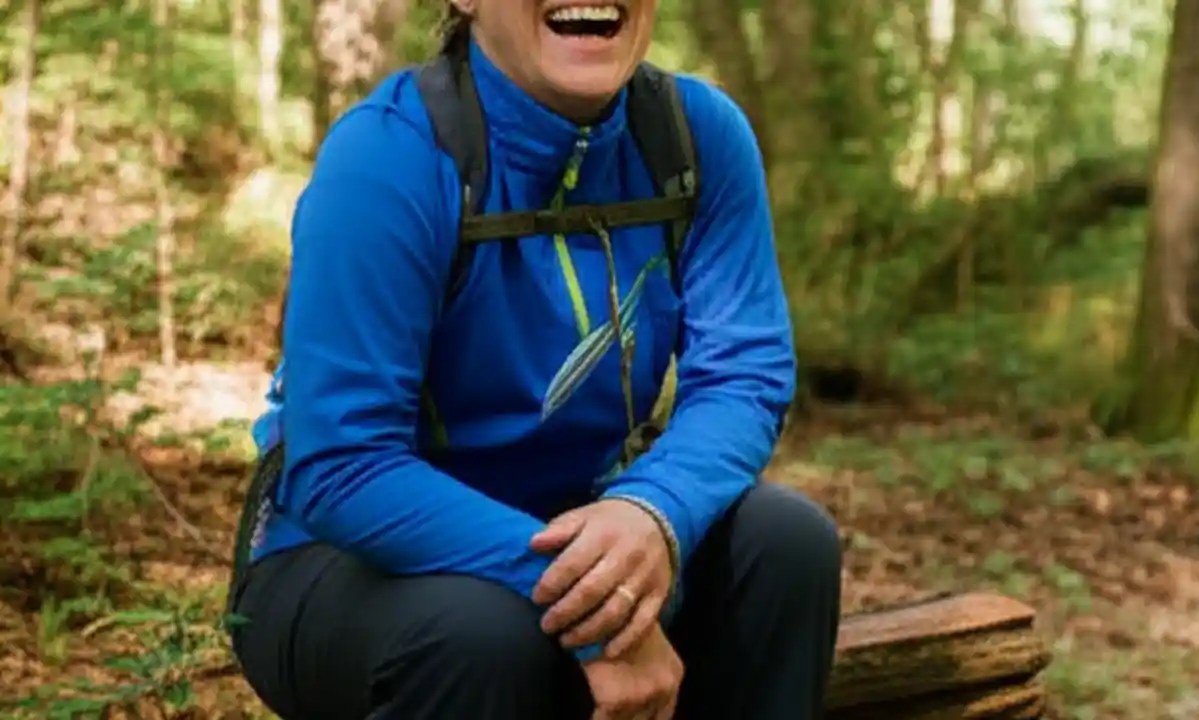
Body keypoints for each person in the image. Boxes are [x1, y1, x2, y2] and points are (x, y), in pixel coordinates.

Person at [225, 1, 843, 718]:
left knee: (786, 544)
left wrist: (653, 511)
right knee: (480, 634)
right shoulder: (389, 157)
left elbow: (744, 373)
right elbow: (342, 464)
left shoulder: (695, 139)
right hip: (344, 557)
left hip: (586, 515)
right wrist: (599, 609)